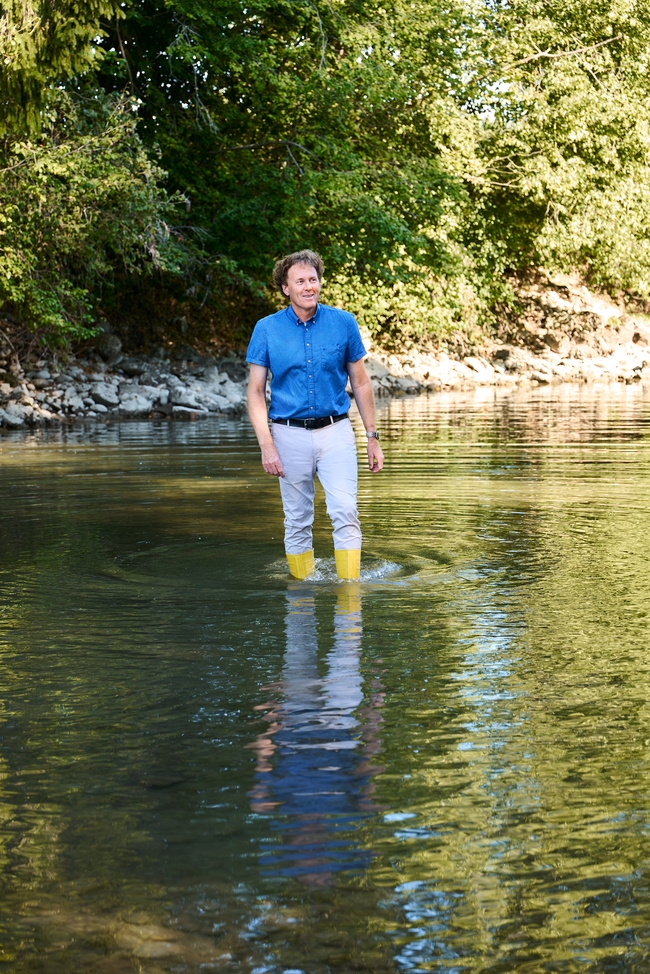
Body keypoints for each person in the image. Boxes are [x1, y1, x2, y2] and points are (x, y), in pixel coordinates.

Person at [246, 249, 384, 580]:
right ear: (285, 288)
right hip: (287, 433)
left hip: (336, 431)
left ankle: (350, 602)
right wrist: (267, 445)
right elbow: (254, 392)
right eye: (300, 281)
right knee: (296, 518)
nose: (309, 287)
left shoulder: (343, 323)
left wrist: (373, 437)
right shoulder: (266, 329)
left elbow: (361, 383)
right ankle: (300, 602)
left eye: (313, 279)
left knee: (346, 510)